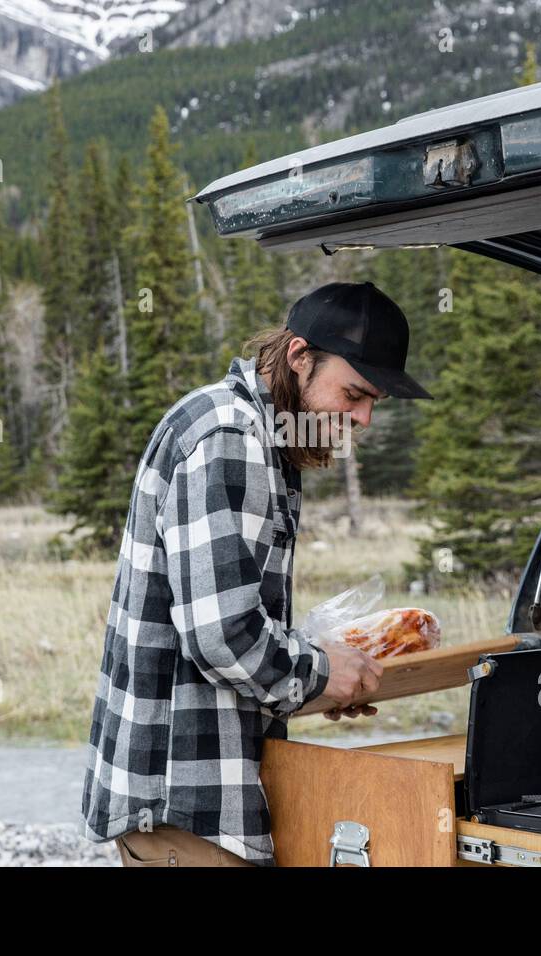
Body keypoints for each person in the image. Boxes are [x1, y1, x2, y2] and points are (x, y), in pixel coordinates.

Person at [81, 281, 434, 866]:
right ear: (299, 357)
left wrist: (317, 677)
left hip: (195, 799)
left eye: (375, 401)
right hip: (188, 801)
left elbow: (229, 620)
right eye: (354, 394)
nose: (365, 418)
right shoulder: (229, 436)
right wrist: (319, 673)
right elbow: (223, 634)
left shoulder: (259, 434)